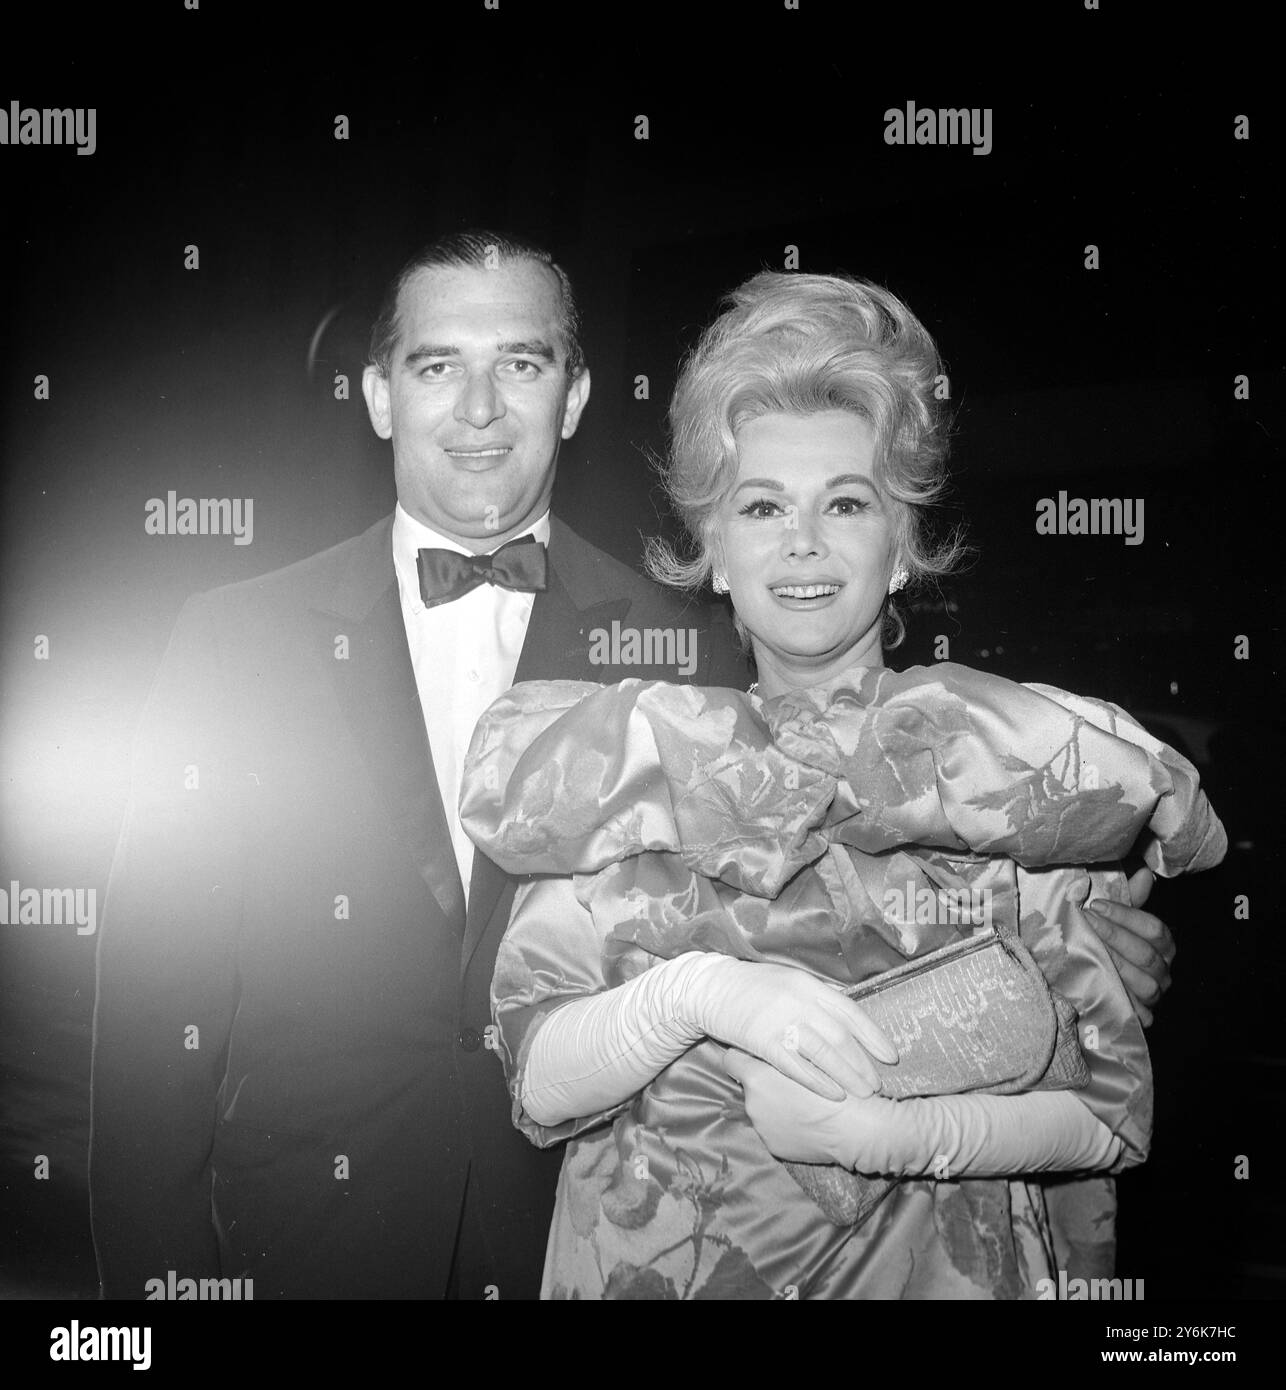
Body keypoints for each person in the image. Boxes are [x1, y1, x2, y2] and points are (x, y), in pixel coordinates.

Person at [88, 233, 1175, 1301]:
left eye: (520, 364)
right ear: (379, 396)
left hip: (599, 1229)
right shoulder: (230, 641)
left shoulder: (699, 642)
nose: (478, 409)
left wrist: (1094, 930)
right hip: (305, 1241)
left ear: (571, 396)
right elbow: (151, 1007)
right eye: (437, 367)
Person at [460, 271, 1225, 1298]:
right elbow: (537, 1074)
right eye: (762, 504)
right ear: (713, 551)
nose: (802, 542)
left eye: (846, 502)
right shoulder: (633, 771)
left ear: (900, 545)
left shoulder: (1005, 767)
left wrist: (884, 1135)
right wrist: (700, 995)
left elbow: (1105, 1109)